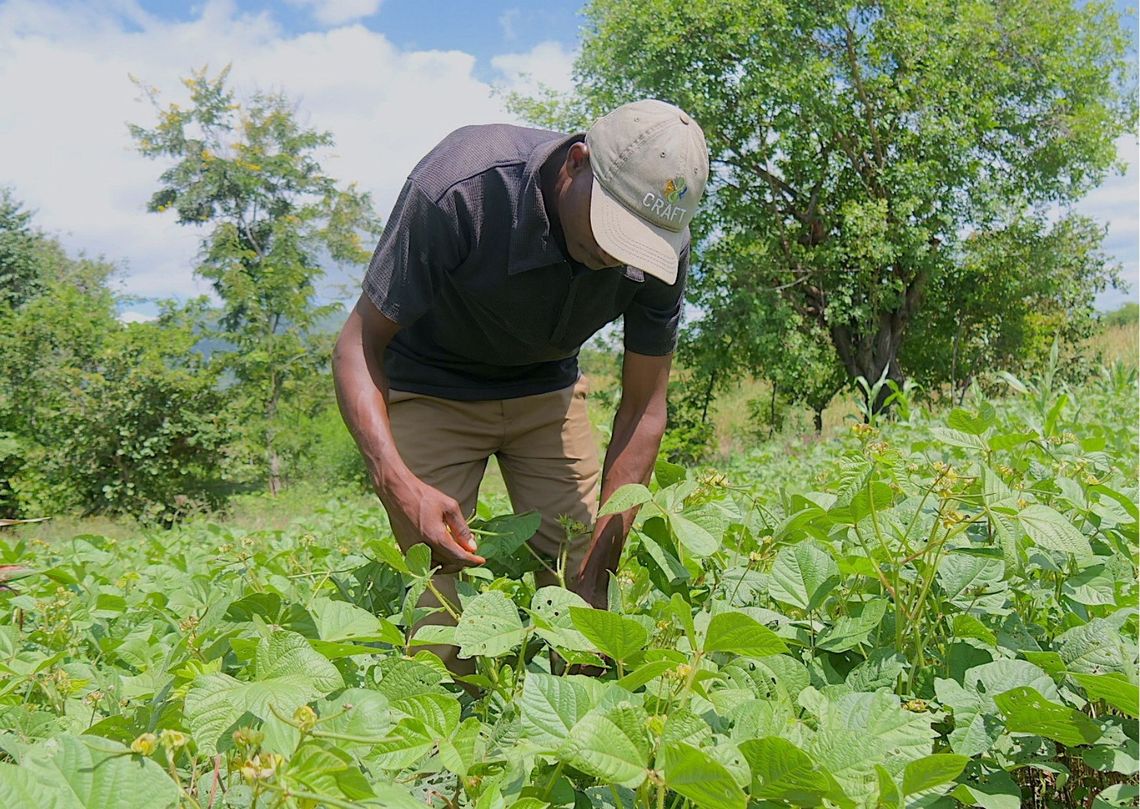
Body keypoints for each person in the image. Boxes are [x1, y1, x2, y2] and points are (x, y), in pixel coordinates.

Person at [332, 99, 708, 674]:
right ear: (577, 163)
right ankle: (453, 729)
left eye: (636, 240)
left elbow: (644, 406)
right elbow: (356, 346)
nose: (615, 254)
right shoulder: (461, 186)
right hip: (432, 386)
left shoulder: (664, 250)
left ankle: (567, 723)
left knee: (585, 616)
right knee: (437, 615)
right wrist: (396, 483)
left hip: (547, 393)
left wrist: (599, 570)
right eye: (612, 226)